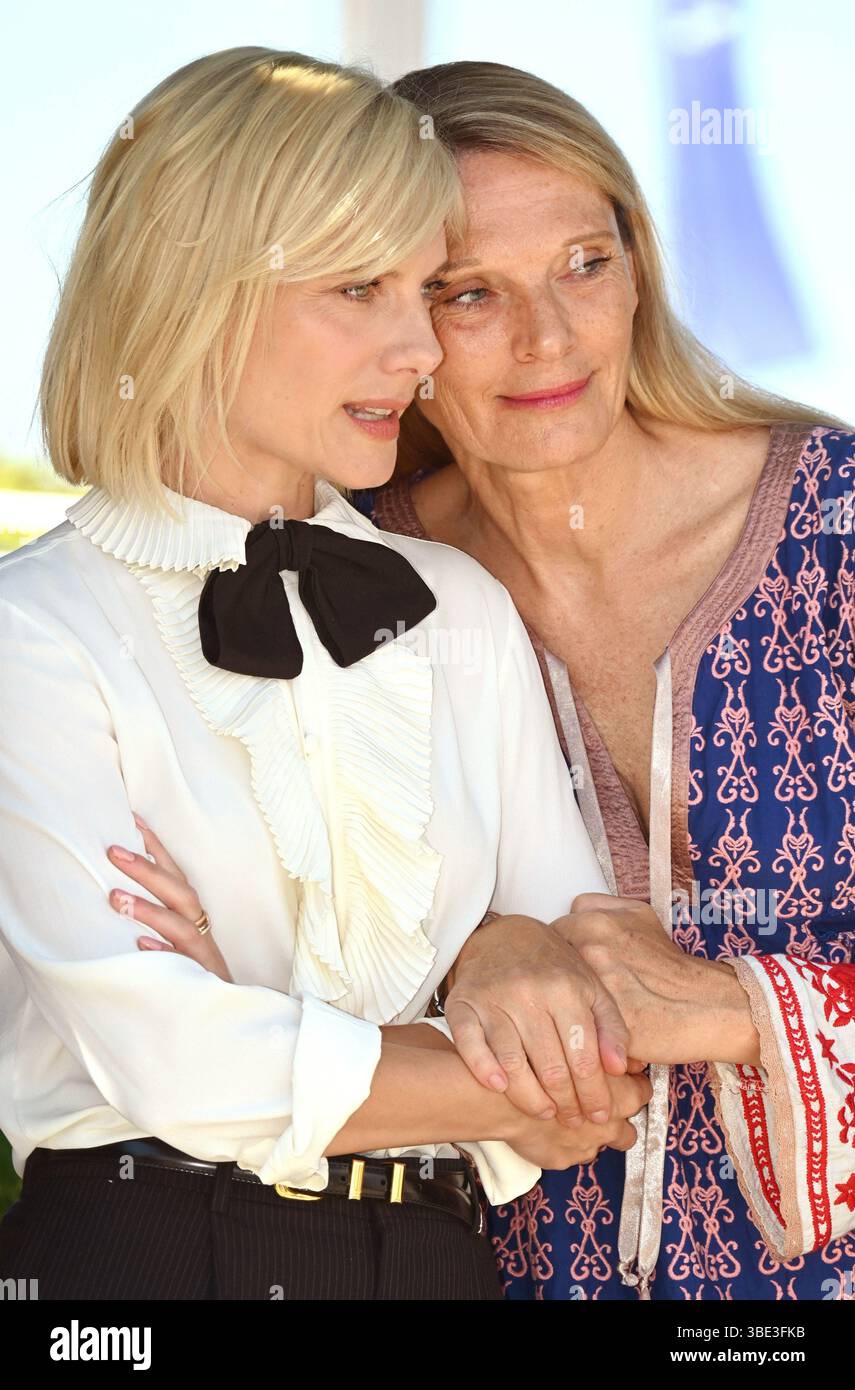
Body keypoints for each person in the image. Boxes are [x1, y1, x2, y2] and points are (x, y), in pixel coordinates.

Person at [0, 47, 653, 1302]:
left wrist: (271, 1009)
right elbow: (177, 1069)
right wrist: (481, 1054)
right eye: (360, 288)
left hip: (440, 1265)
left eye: (423, 291)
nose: (420, 349)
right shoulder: (38, 632)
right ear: (192, 287)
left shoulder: (459, 607)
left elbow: (605, 1052)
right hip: (139, 1265)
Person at [353, 60, 855, 1300]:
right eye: (472, 293)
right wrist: (475, 949)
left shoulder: (837, 530)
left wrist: (741, 1009)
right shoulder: (345, 582)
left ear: (638, 266)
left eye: (586, 262)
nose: (551, 338)